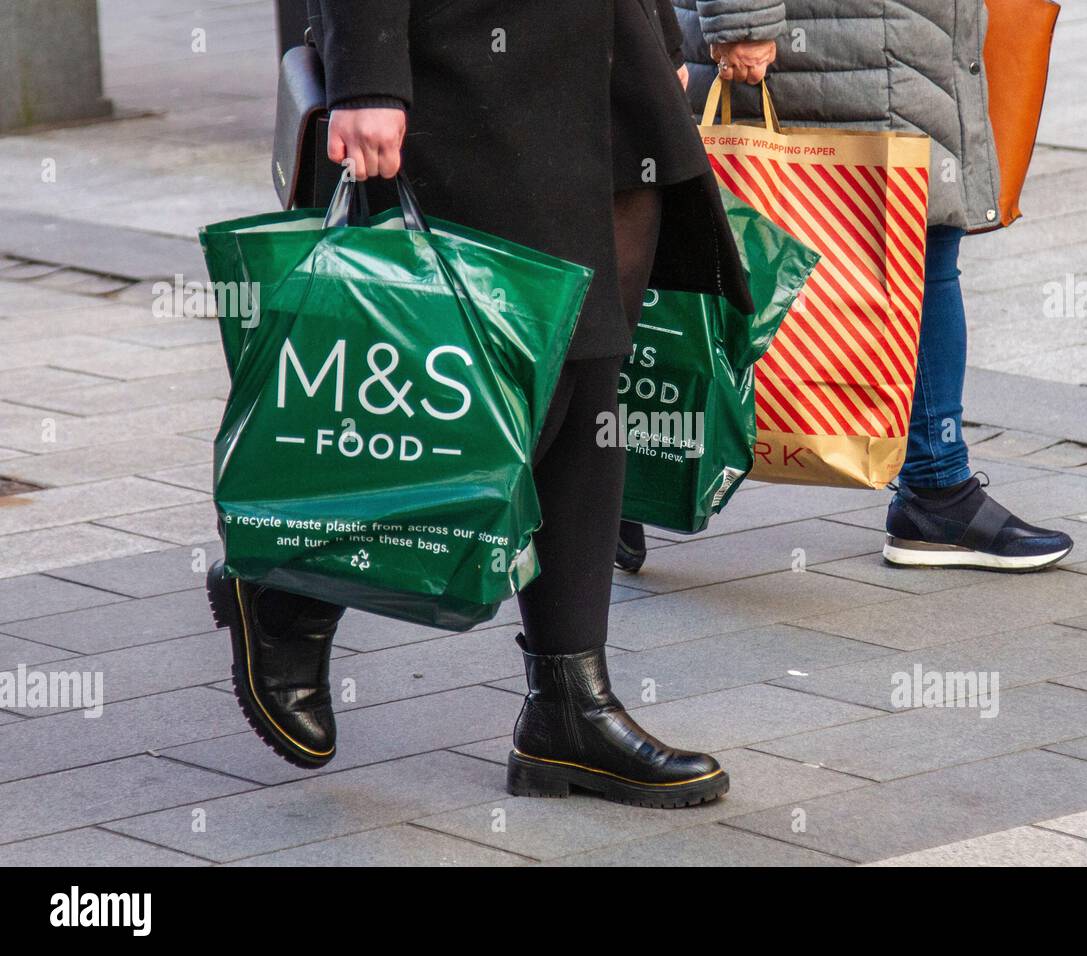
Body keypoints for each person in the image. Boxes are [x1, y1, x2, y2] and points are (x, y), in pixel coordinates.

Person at [205, 0, 751, 808]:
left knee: (592, 372)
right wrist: (370, 76)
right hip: (463, 62)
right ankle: (294, 588)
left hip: (608, 52)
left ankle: (570, 702)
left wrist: (659, 29)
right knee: (500, 385)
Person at [617, 0, 1073, 574]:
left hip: (891, 40)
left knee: (916, 238)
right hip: (833, 40)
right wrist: (743, 22)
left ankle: (619, 481)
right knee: (908, 243)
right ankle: (936, 492)